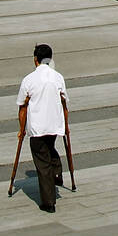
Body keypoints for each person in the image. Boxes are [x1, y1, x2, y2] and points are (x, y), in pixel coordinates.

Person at [16, 43, 69, 213]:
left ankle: (48, 202)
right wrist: (66, 125)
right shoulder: (58, 77)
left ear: (35, 60)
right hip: (54, 125)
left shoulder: (29, 79)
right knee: (49, 147)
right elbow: (64, 101)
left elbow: (22, 107)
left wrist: (21, 129)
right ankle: (57, 171)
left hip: (38, 128)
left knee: (42, 163)